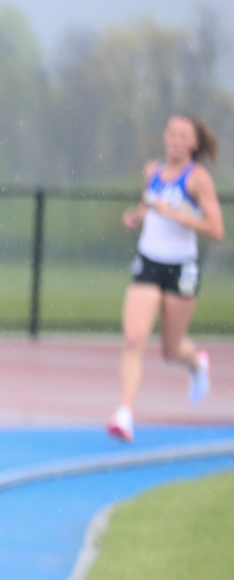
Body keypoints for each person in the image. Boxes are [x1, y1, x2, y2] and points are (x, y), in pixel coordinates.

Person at [111, 114, 222, 442]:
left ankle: (197, 363)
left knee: (171, 349)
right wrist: (136, 216)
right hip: (149, 263)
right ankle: (124, 413)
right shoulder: (152, 171)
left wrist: (175, 214)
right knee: (134, 337)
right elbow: (149, 205)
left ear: (193, 143)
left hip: (181, 268)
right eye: (171, 133)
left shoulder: (197, 179)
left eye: (182, 135)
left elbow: (216, 229)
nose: (175, 139)